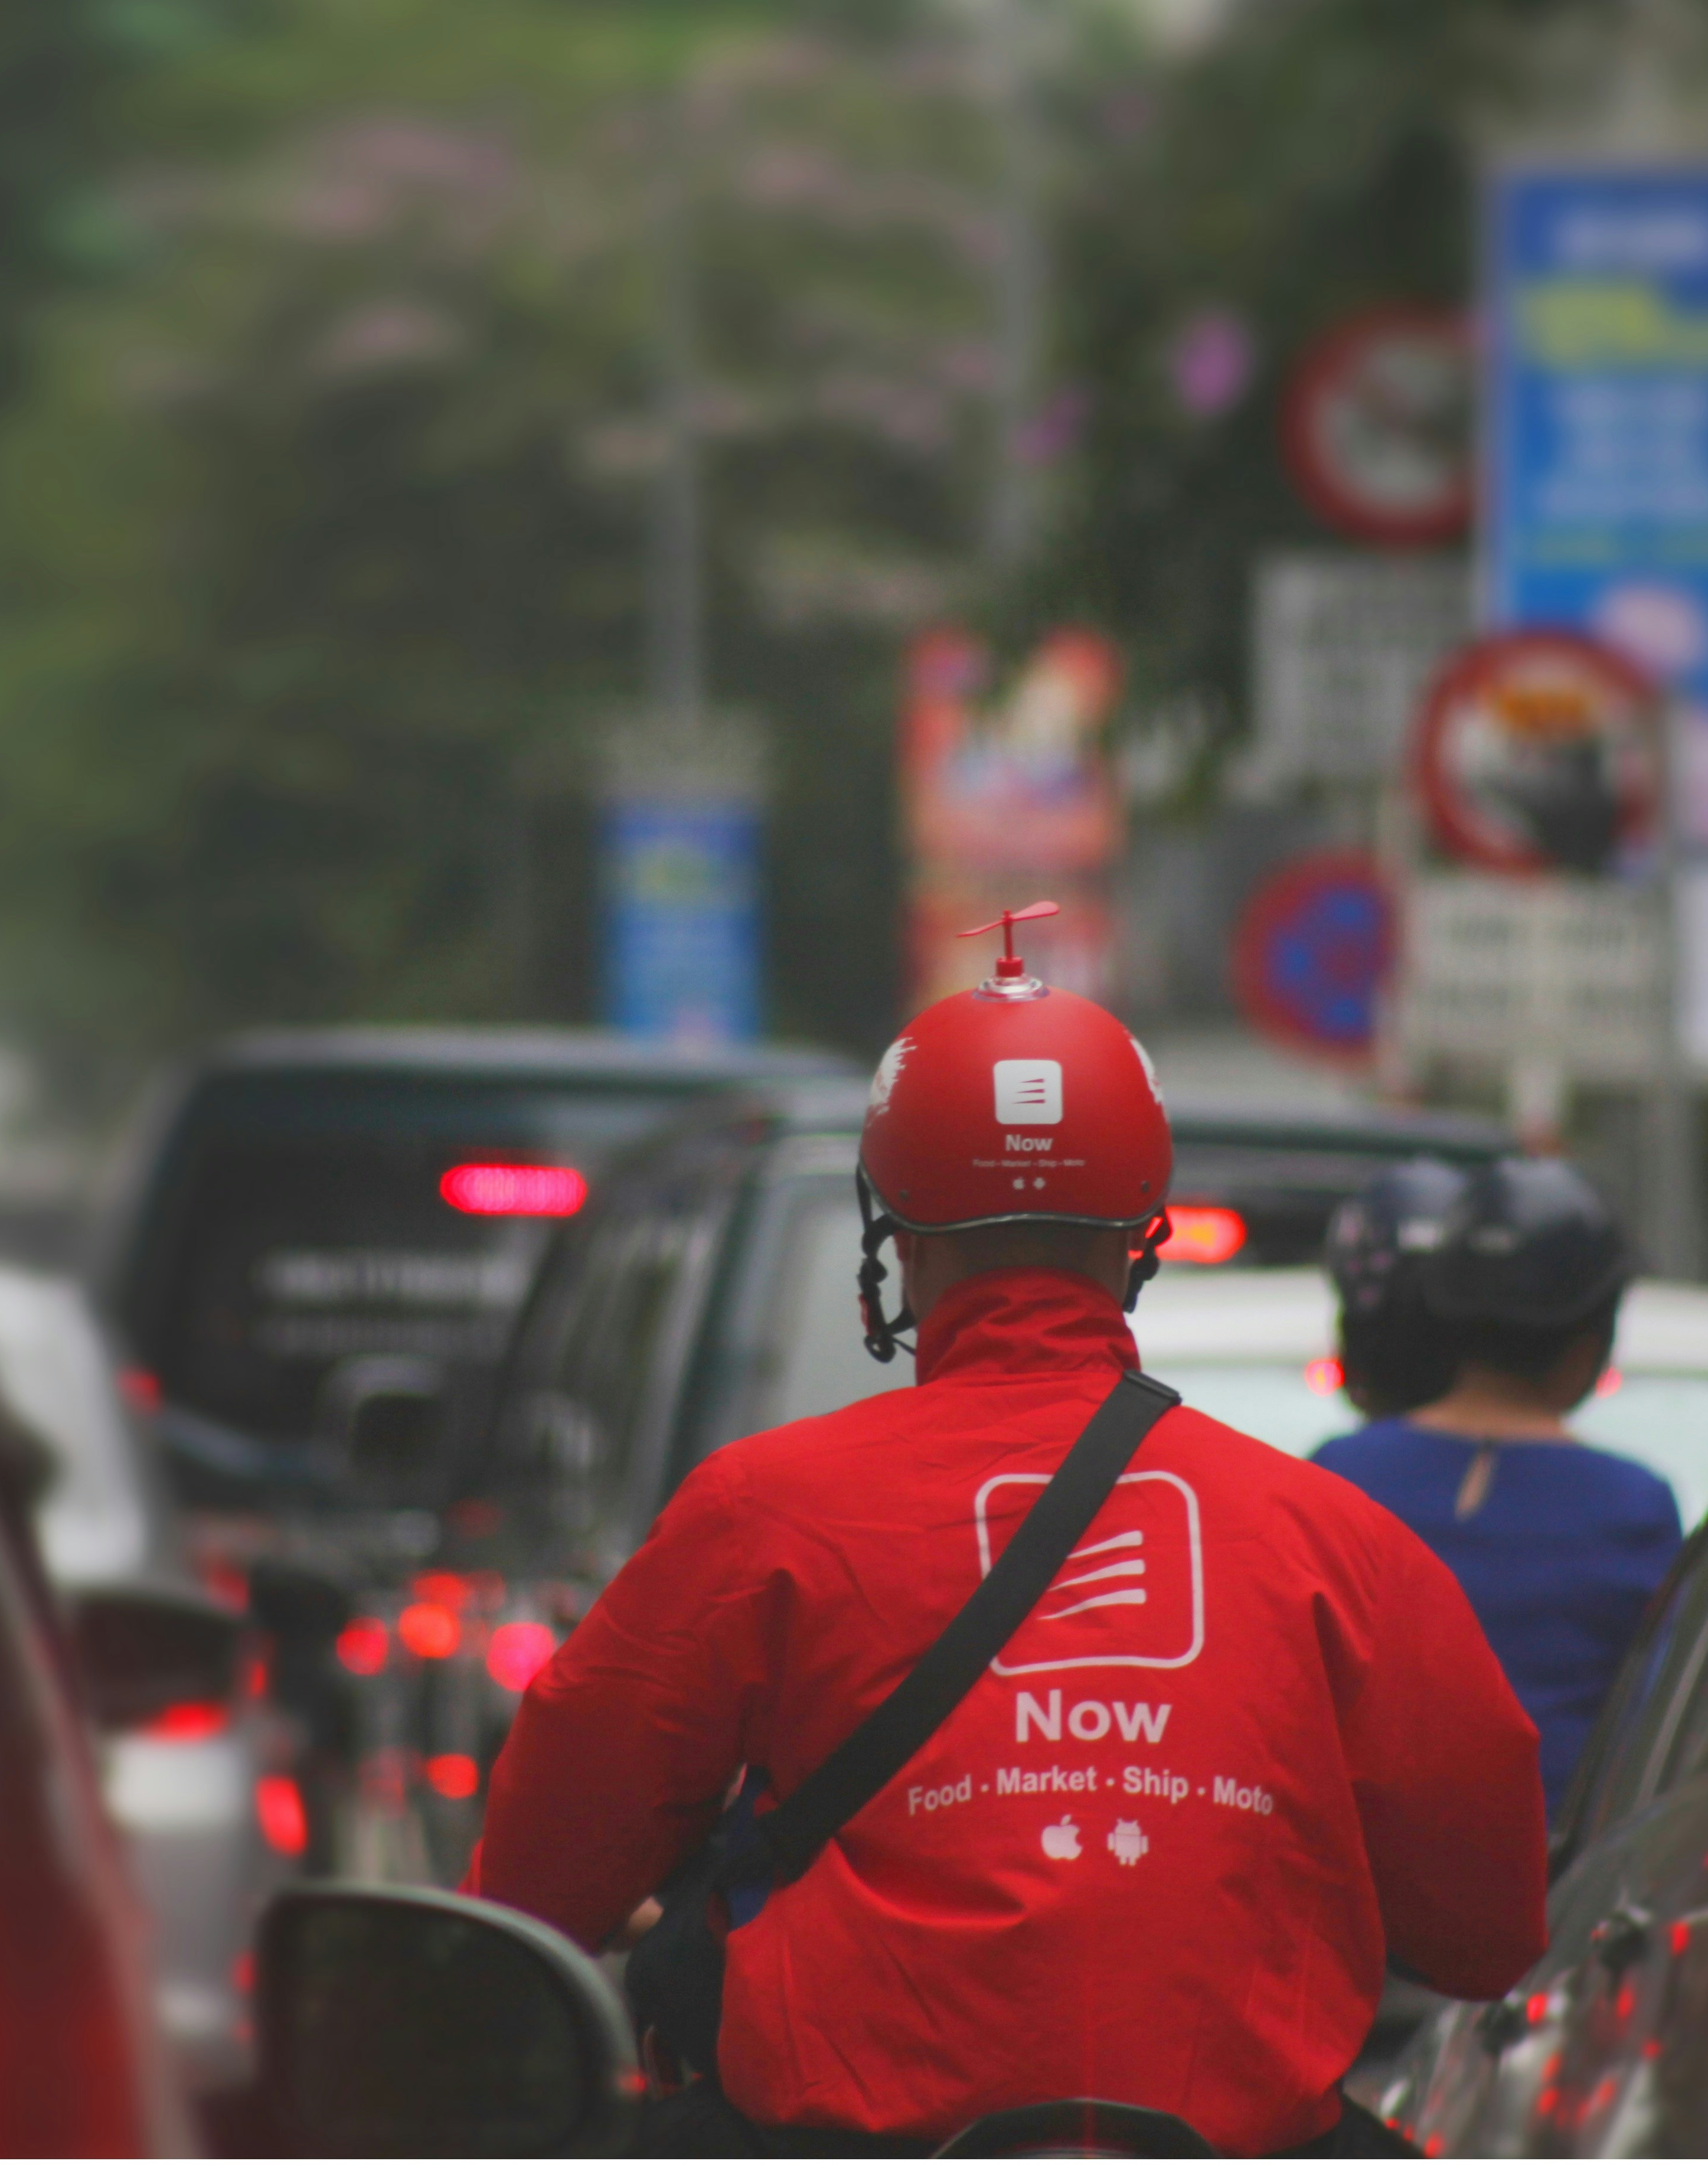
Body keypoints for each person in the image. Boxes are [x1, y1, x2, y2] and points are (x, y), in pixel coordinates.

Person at [464, 912, 1547, 2156]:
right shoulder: (1334, 1543)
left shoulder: (761, 1513)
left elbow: (531, 1903)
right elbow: (1487, 1932)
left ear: (899, 1243)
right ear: (1141, 1234)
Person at [1309, 1158, 1682, 1828]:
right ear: (1590, 1345)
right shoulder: (1633, 1505)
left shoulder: (1340, 1475)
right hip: (1553, 1901)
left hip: (1362, 1892)